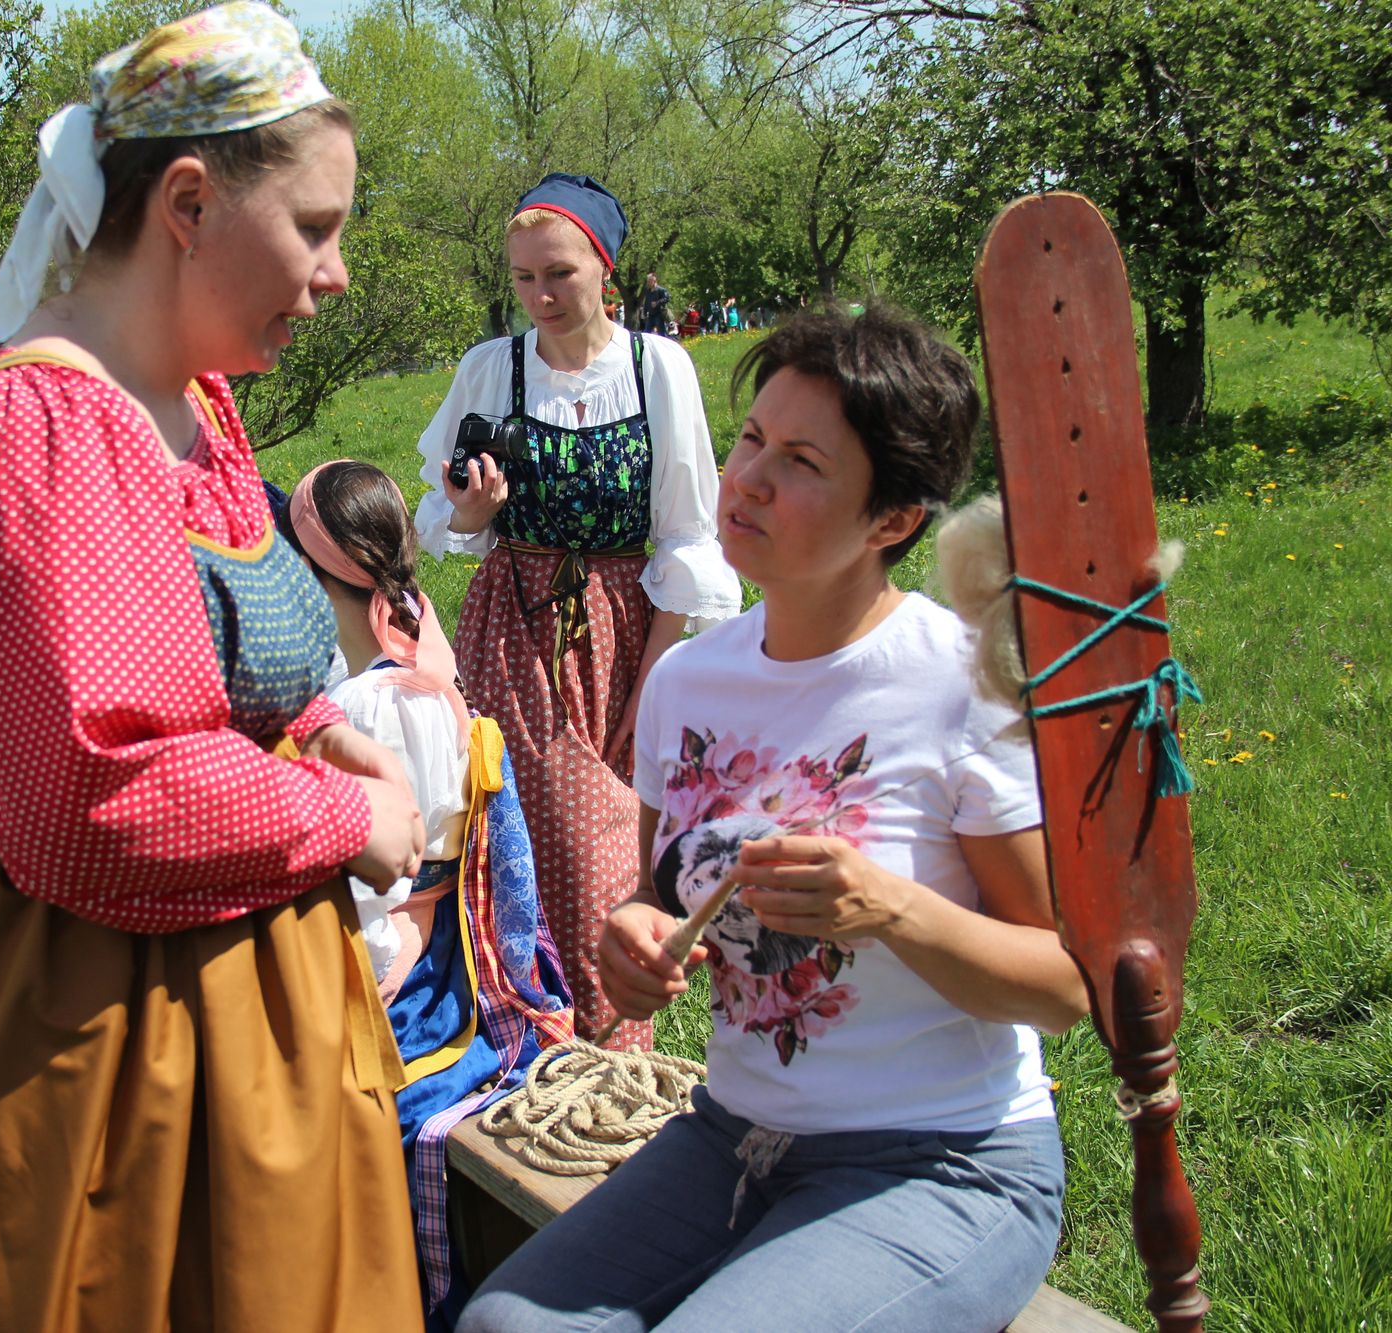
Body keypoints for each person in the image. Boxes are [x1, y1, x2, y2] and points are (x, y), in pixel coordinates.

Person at [0, 7, 431, 1330]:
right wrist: (356, 816)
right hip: (105, 1020)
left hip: (250, 995)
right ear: (188, 201)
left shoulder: (197, 404)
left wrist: (325, 728)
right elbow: (99, 792)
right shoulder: (39, 423)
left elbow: (226, 665)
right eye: (316, 227)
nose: (334, 273)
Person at [459, 305, 1090, 1332]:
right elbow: (652, 896)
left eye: (799, 461)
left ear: (891, 520)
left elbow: (1064, 986)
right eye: (750, 437)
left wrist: (889, 908)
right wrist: (632, 940)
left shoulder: (960, 685)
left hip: (943, 1161)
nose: (745, 477)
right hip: (731, 1135)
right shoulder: (687, 681)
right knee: (504, 1325)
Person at [414, 174, 740, 1050]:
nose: (541, 296)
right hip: (514, 630)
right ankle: (556, 1057)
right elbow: (440, 515)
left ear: (604, 267)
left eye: (558, 273)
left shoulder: (654, 368)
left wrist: (655, 680)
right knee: (539, 850)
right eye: (523, 278)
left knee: (617, 847)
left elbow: (685, 534)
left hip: (628, 633)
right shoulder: (494, 368)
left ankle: (599, 1075)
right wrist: (474, 516)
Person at [282, 459, 574, 1322]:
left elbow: (378, 893)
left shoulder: (370, 708)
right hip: (450, 952)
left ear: (309, 574)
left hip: (406, 982)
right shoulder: (421, 665)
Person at [640, 270, 672, 335]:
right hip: (650, 315)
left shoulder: (661, 290)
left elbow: (667, 298)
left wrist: (657, 303)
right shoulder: (648, 291)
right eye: (647, 281)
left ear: (654, 281)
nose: (648, 283)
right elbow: (646, 302)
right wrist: (644, 313)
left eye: (649, 281)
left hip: (659, 315)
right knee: (646, 333)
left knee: (661, 333)